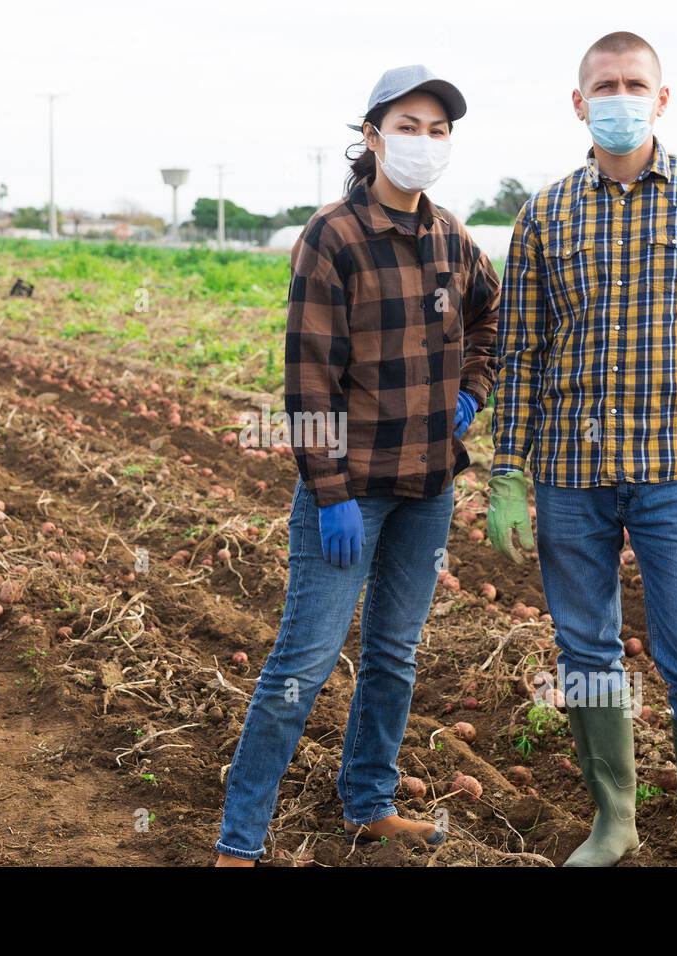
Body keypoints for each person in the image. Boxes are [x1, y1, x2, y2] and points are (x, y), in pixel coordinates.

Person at [487, 32, 677, 867]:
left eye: (634, 83)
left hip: (675, 469)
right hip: (570, 476)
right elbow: (520, 354)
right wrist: (506, 472)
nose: (619, 96)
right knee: (584, 649)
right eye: (603, 85)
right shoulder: (545, 213)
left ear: (661, 97)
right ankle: (613, 819)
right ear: (579, 103)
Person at [214, 64, 502, 866]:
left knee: (394, 655)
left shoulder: (450, 236)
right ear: (372, 136)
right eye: (408, 127)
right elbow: (307, 376)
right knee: (302, 663)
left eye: (438, 131)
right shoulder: (332, 237)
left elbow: (492, 315)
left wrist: (472, 391)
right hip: (350, 496)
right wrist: (330, 491)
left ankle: (368, 803)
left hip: (428, 489)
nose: (424, 143)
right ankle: (239, 842)